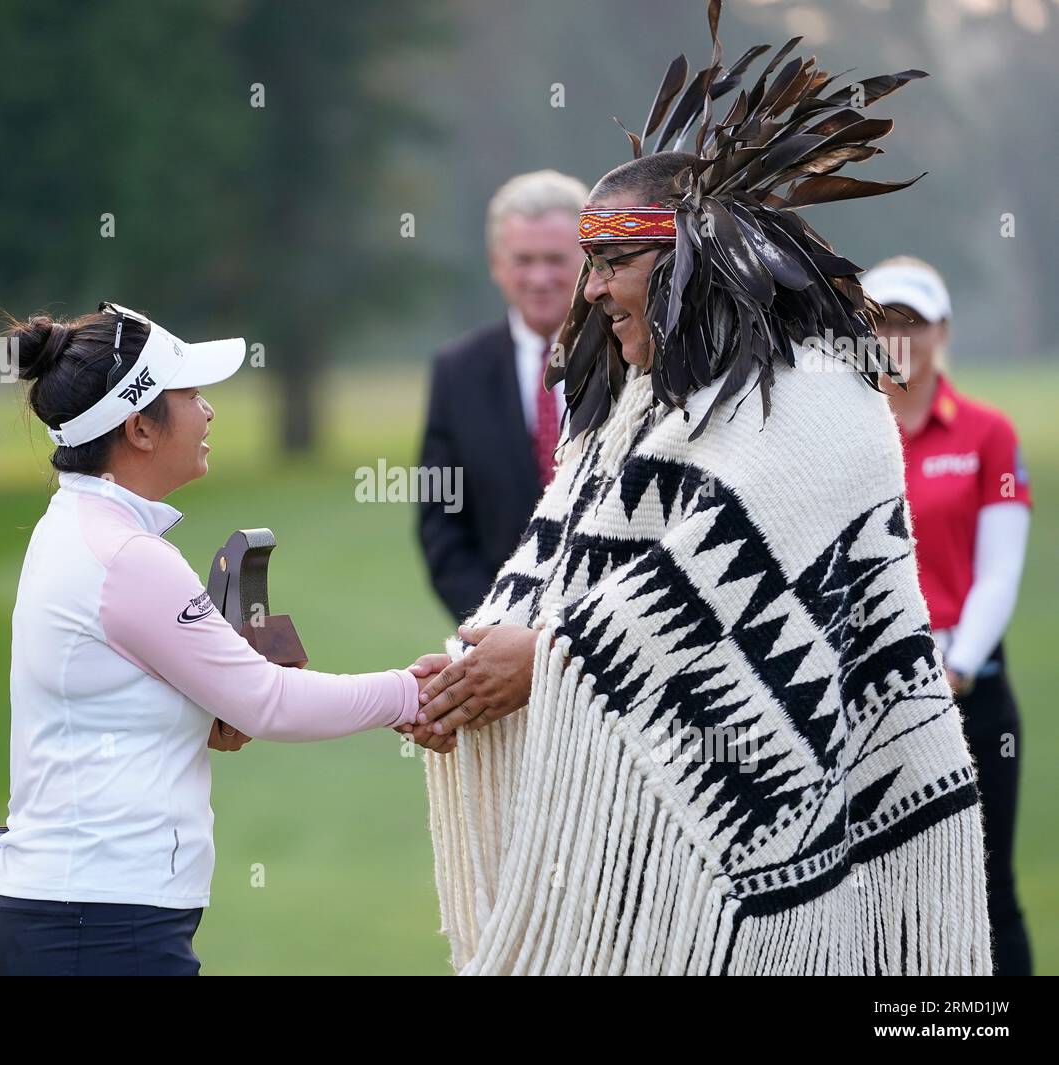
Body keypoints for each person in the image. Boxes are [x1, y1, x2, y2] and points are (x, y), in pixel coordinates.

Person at [402, 6, 993, 975]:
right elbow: (557, 564)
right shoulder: (636, 410)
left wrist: (545, 662)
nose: (587, 291)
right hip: (646, 869)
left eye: (610, 261)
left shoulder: (817, 403)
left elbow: (704, 605)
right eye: (581, 262)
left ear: (690, 259)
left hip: (768, 861)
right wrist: (466, 670)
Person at [0, 302, 442, 977]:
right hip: (98, 927)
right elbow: (268, 702)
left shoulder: (72, 522)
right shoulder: (130, 556)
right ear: (139, 427)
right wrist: (412, 693)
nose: (208, 410)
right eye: (190, 393)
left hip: (56, 912)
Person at [867, 256, 1033, 975]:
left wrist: (957, 663)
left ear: (942, 332)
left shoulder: (986, 433)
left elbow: (999, 568)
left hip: (966, 685)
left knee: (986, 887)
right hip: (865, 692)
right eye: (883, 321)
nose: (899, 337)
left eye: (914, 322)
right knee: (877, 895)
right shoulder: (844, 430)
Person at [418, 170, 586, 622]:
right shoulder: (457, 372)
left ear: (591, 258)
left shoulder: (638, 362)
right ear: (496, 263)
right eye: (523, 260)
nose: (539, 277)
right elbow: (441, 522)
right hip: (497, 638)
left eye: (555, 259)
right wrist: (495, 624)